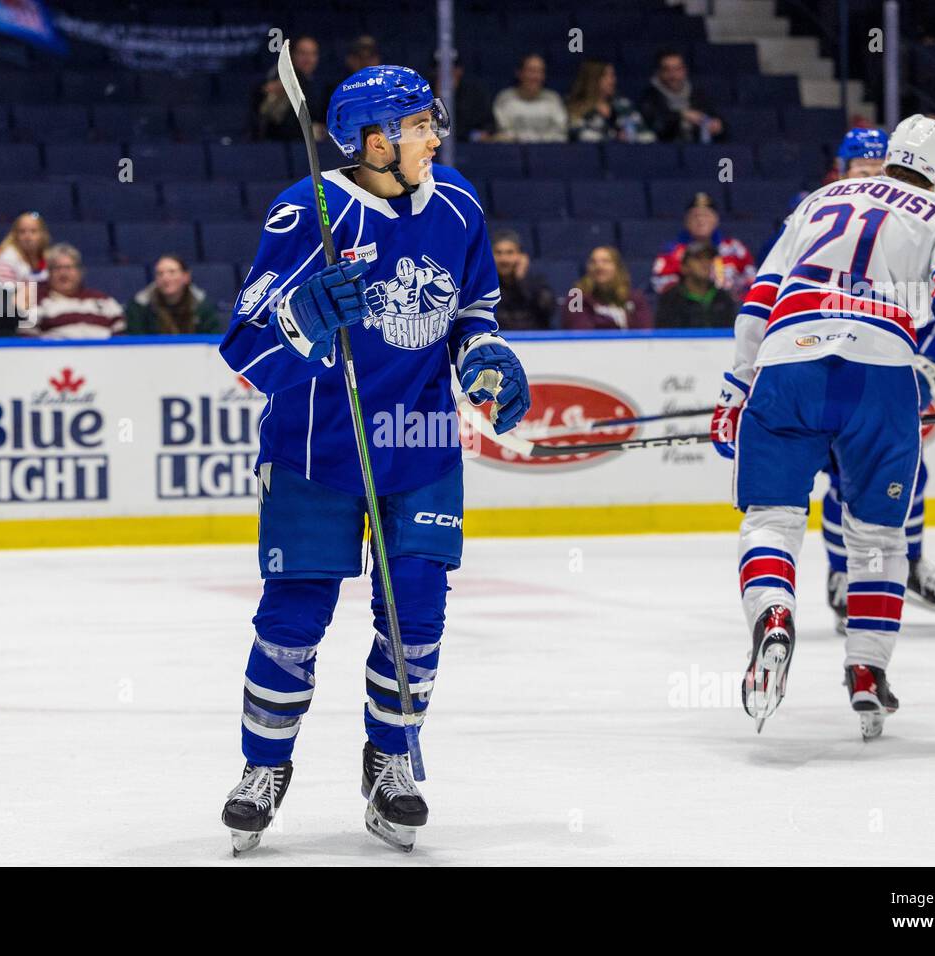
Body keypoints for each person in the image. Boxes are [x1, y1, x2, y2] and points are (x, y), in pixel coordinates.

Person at [218, 64, 529, 854]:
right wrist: (305, 314)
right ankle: (264, 767)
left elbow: (472, 311)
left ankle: (390, 760)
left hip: (419, 443)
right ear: (373, 140)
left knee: (417, 616)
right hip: (317, 449)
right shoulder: (305, 213)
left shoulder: (457, 201)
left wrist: (487, 356)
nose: (436, 135)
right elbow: (246, 354)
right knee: (293, 620)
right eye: (420, 123)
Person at [711, 114, 935, 739]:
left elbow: (758, 298)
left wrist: (735, 389)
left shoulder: (820, 199)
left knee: (771, 519)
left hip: (788, 361)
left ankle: (773, 613)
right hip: (879, 376)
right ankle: (867, 674)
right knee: (879, 535)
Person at [817, 128, 935, 626]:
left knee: (909, 472)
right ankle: (843, 574)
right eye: (857, 164)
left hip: (894, 369)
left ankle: (912, 565)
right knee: (843, 477)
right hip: (829, 366)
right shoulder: (820, 215)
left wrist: (924, 365)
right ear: (840, 171)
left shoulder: (922, 224)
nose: (866, 171)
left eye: (874, 164)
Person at [651, 192, 754, 298]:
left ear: (716, 220)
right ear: (686, 221)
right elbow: (660, 285)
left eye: (706, 215)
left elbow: (752, 281)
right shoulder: (672, 251)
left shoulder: (735, 248)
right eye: (695, 216)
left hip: (732, 307)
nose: (701, 220)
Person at [20, 243, 125, 339]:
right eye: (57, 268)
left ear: (80, 272)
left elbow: (122, 338)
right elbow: (27, 344)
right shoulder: (37, 303)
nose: (63, 274)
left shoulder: (105, 301)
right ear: (49, 273)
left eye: (69, 268)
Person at [639, 48, 724, 143]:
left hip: (698, 148)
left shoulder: (698, 95)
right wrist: (681, 116)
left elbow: (716, 119)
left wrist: (718, 126)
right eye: (667, 70)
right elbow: (655, 125)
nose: (673, 75)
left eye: (677, 69)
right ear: (659, 72)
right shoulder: (650, 96)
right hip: (666, 150)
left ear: (684, 70)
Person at [560, 245, 652, 329]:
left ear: (618, 268)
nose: (599, 266)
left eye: (606, 261)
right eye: (593, 262)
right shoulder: (576, 298)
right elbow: (580, 331)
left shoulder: (635, 298)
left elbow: (644, 332)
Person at [124, 254, 220, 334]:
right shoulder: (140, 306)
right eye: (160, 273)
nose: (165, 278)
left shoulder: (202, 305)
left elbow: (213, 339)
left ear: (186, 276)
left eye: (172, 272)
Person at [254, 34, 322, 142]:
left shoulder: (319, 83)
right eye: (303, 53)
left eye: (313, 54)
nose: (308, 59)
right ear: (291, 55)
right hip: (279, 145)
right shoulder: (280, 77)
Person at [566, 60, 652, 144]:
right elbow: (581, 135)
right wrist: (616, 140)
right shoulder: (576, 108)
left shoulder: (623, 106)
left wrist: (633, 139)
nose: (612, 81)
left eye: (612, 76)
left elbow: (648, 136)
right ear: (592, 79)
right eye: (606, 76)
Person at [654, 241, 737, 328]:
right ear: (684, 267)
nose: (705, 263)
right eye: (698, 258)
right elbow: (663, 337)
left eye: (709, 259)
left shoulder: (723, 298)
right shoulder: (670, 299)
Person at [491, 53, 568, 143]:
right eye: (531, 71)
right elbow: (503, 132)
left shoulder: (553, 99)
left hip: (548, 152)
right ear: (519, 73)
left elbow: (561, 132)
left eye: (539, 72)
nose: (535, 77)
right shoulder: (505, 98)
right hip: (513, 152)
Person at [492, 230, 556, 330]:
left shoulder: (536, 282)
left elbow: (548, 309)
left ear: (521, 256)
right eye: (498, 253)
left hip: (534, 342)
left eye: (510, 253)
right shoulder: (484, 286)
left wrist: (522, 279)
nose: (503, 259)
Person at [0, 211, 50, 284]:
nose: (28, 237)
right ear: (15, 235)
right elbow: (2, 293)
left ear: (43, 234)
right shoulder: (7, 260)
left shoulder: (47, 258)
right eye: (22, 231)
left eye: (33, 231)